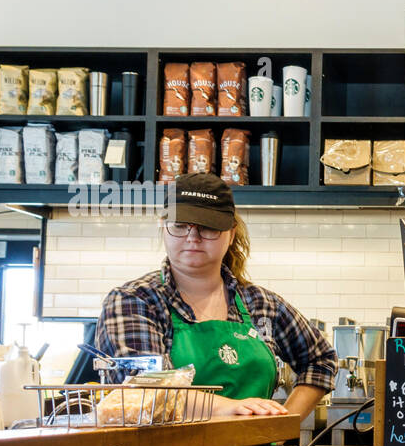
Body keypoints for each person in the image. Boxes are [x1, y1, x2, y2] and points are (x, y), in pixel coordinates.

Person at [96, 173, 336, 420]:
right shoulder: (135, 301)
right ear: (163, 226)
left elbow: (321, 360)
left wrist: (285, 423)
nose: (193, 238)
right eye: (180, 226)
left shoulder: (262, 304)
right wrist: (226, 407)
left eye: (208, 228)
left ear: (231, 234)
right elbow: (145, 390)